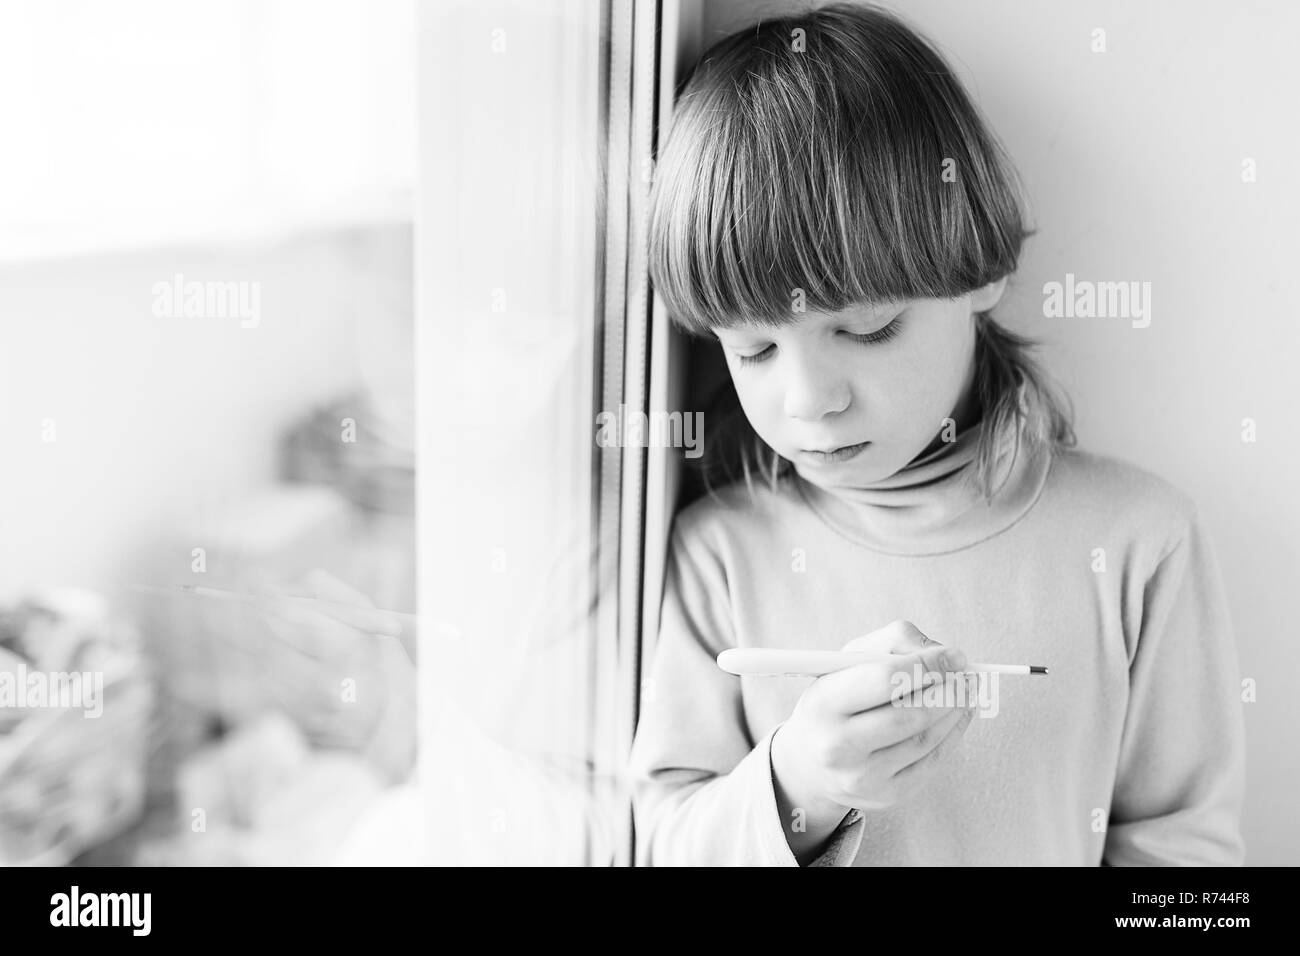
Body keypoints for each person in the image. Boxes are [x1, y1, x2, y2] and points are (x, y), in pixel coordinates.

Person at [627, 2, 1246, 866]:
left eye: (869, 328)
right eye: (754, 347)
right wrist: (800, 784)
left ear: (982, 270)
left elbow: (1193, 875)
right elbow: (661, 847)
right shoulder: (716, 561)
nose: (809, 401)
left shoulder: (1140, 545)